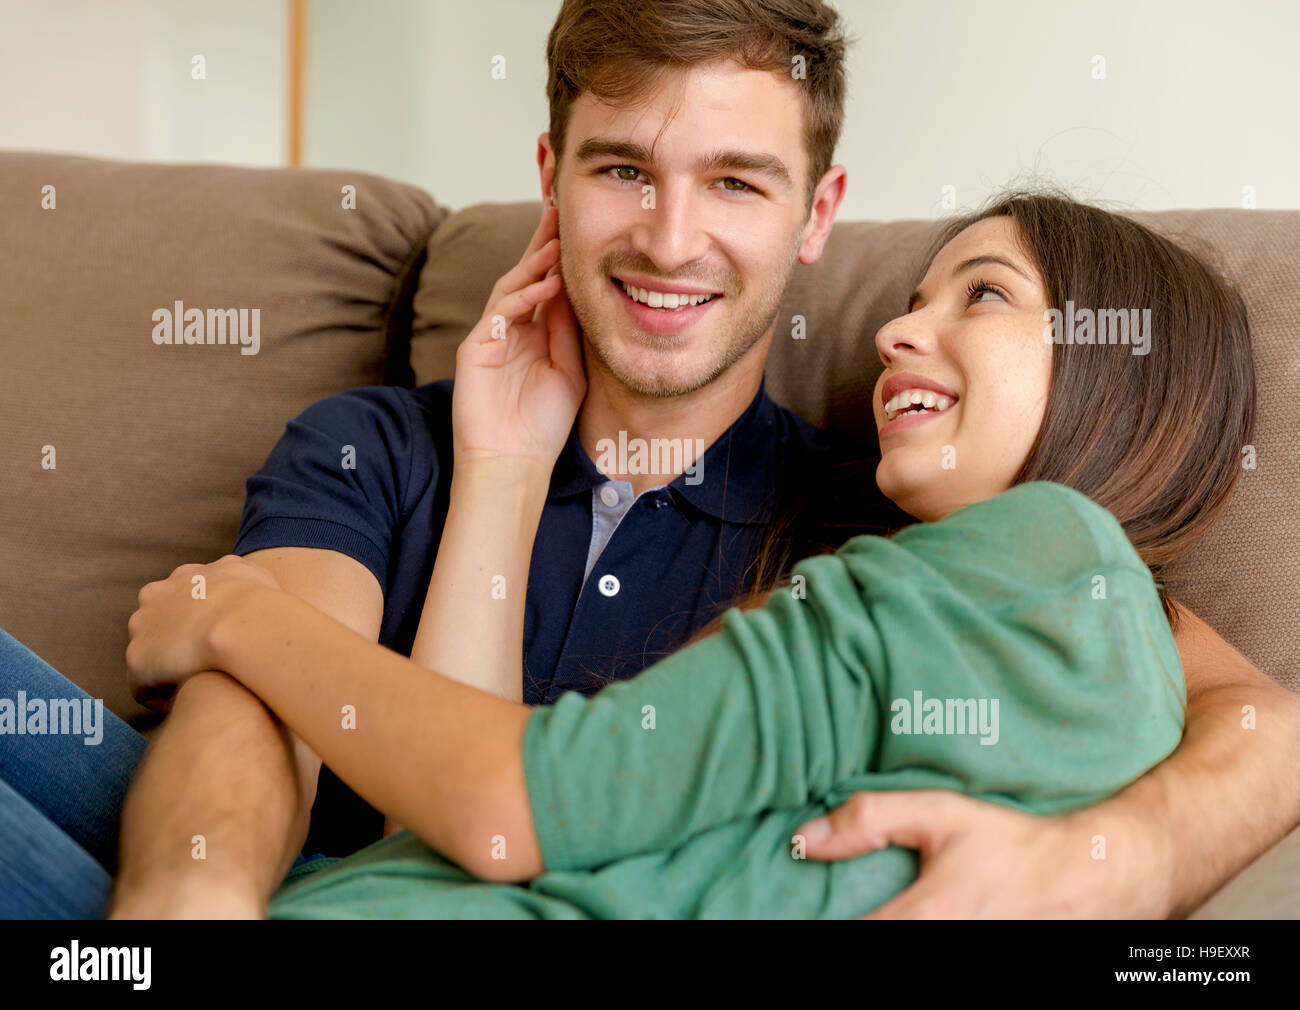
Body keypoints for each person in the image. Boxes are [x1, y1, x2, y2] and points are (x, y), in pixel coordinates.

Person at [0, 0, 1293, 919]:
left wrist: (1110, 865)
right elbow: (290, 714)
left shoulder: (898, 528)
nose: (672, 238)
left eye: (735, 180)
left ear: (815, 215)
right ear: (554, 177)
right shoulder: (375, 441)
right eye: (625, 169)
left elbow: (1261, 715)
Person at [116, 191, 1247, 918]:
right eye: (911, 298)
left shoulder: (1040, 559)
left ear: (1124, 376)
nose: (895, 332)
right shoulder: (1056, 628)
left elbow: (508, 803)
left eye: (983, 294)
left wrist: (230, 616)